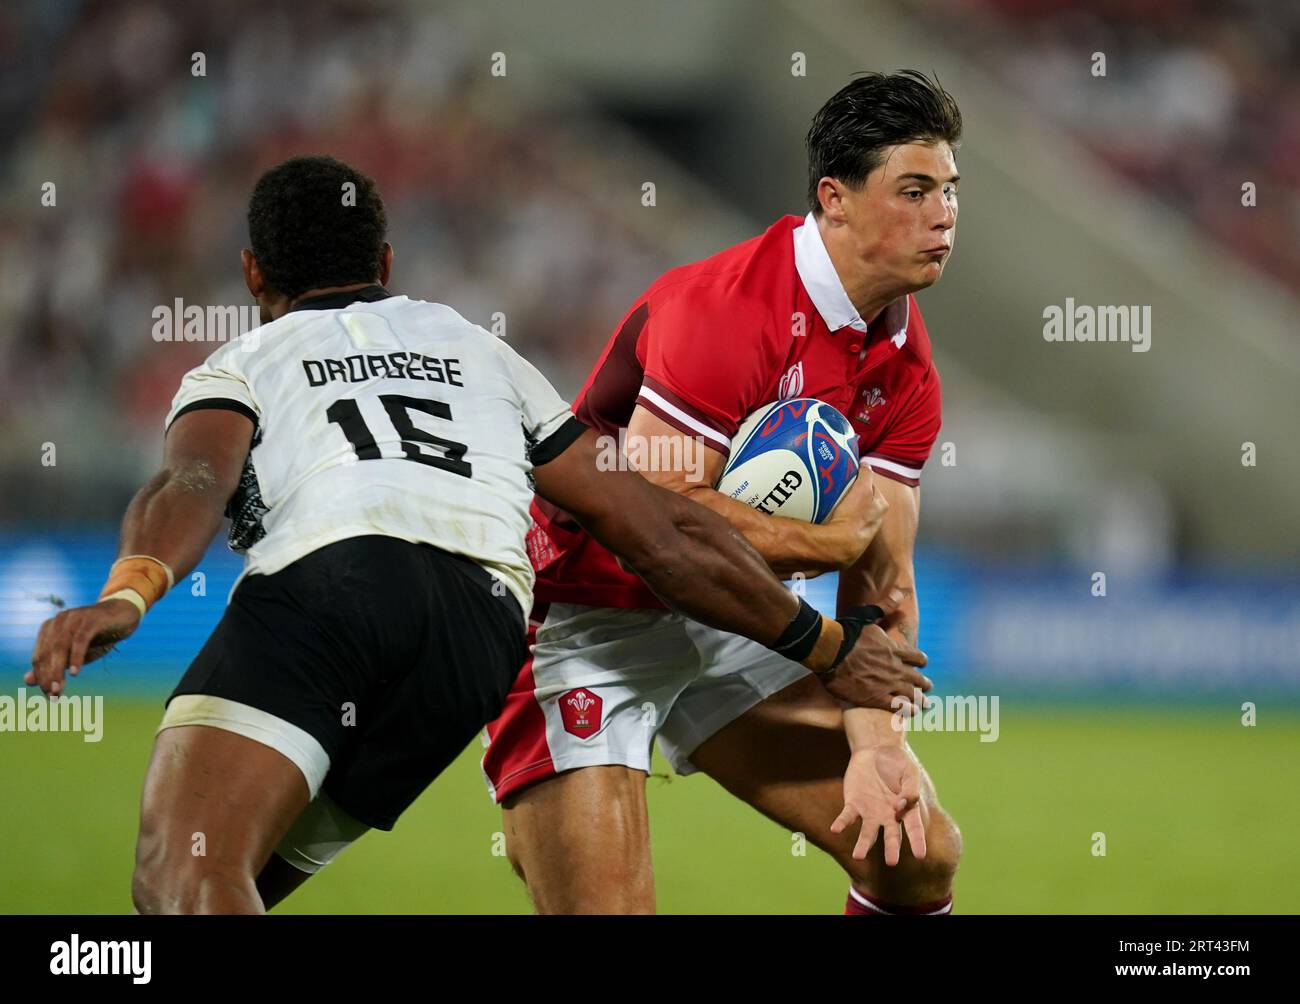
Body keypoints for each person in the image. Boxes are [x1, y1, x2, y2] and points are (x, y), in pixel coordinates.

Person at [26, 155, 930, 914]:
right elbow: (657, 529)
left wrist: (130, 588)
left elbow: (193, 479)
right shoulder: (475, 348)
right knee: (237, 878)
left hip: (336, 588)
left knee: (183, 872)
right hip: (475, 636)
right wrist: (821, 640)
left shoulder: (246, 358)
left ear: (254, 274)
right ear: (384, 256)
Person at [486, 71, 964, 915]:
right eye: (915, 190)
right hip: (584, 620)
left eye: (950, 191)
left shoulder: (908, 364)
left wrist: (877, 739)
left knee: (916, 856)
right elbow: (660, 527)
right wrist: (822, 545)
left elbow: (883, 581)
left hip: (739, 615)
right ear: (836, 199)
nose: (944, 215)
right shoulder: (723, 308)